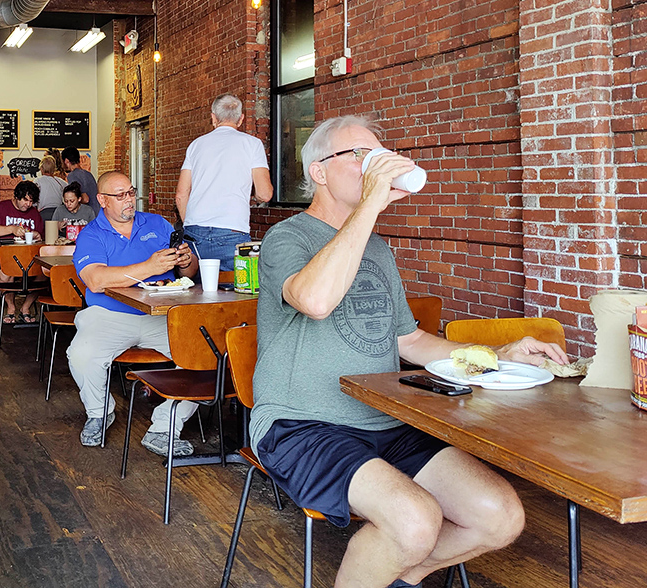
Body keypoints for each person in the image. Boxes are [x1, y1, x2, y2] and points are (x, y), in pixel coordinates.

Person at [250, 116, 569, 588]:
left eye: (378, 154)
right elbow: (315, 302)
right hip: (300, 422)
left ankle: (393, 575)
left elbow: (411, 341)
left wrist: (497, 354)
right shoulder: (288, 238)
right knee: (415, 520)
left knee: (499, 516)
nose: (374, 164)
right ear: (319, 171)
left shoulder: (376, 247)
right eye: (360, 155)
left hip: (386, 419)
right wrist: (373, 203)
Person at [68, 170, 200, 453]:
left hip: (162, 315)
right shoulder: (91, 235)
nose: (129, 200)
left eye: (131, 192)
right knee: (81, 354)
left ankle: (165, 427)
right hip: (108, 316)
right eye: (120, 195)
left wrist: (187, 260)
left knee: (206, 355)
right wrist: (150, 267)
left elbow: (187, 271)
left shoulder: (157, 224)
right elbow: (96, 280)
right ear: (102, 200)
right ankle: (100, 412)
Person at [175, 94, 273, 270]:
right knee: (235, 292)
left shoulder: (196, 145)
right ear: (241, 119)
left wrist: (190, 224)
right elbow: (265, 194)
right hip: (232, 231)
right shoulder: (252, 144)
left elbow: (181, 195)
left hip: (195, 231)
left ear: (213, 117)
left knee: (193, 292)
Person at [0, 180, 44, 324]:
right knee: (5, 273)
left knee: (45, 273)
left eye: (31, 201)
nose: (28, 204)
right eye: (25, 200)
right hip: (3, 256)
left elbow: (41, 237)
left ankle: (25, 308)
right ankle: (11, 309)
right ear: (16, 196)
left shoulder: (34, 213)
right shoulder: (1, 208)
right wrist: (11, 229)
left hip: (29, 258)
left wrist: (36, 234)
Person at [61, 147, 100, 217]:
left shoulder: (72, 175)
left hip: (87, 216)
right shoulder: (89, 174)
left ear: (66, 161)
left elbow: (85, 199)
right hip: (97, 214)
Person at [35, 155, 67, 221]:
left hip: (43, 213)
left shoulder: (38, 181)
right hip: (59, 213)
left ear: (41, 169)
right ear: (54, 169)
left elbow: (33, 199)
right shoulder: (60, 182)